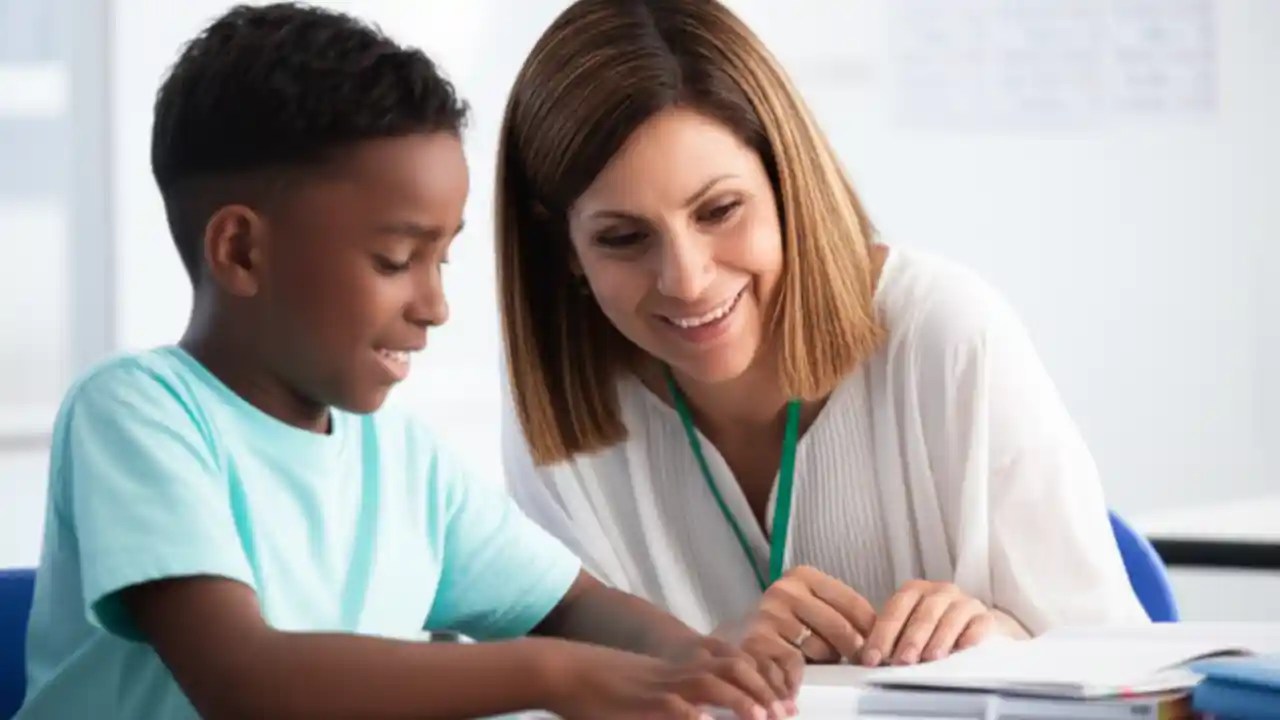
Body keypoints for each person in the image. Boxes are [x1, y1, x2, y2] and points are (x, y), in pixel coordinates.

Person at [17, 5, 801, 719]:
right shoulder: (136, 413)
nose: (433, 306)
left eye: (443, 261)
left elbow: (574, 607)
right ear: (242, 249)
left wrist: (706, 665)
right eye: (396, 260)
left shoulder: (404, 464)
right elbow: (244, 681)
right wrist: (557, 677)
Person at [497, 0, 1149, 670]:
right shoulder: (558, 405)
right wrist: (699, 661)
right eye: (624, 238)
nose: (687, 280)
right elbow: (554, 692)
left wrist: (1002, 645)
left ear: (787, 185)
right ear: (565, 249)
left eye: (720, 210)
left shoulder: (946, 335)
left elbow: (1121, 667)